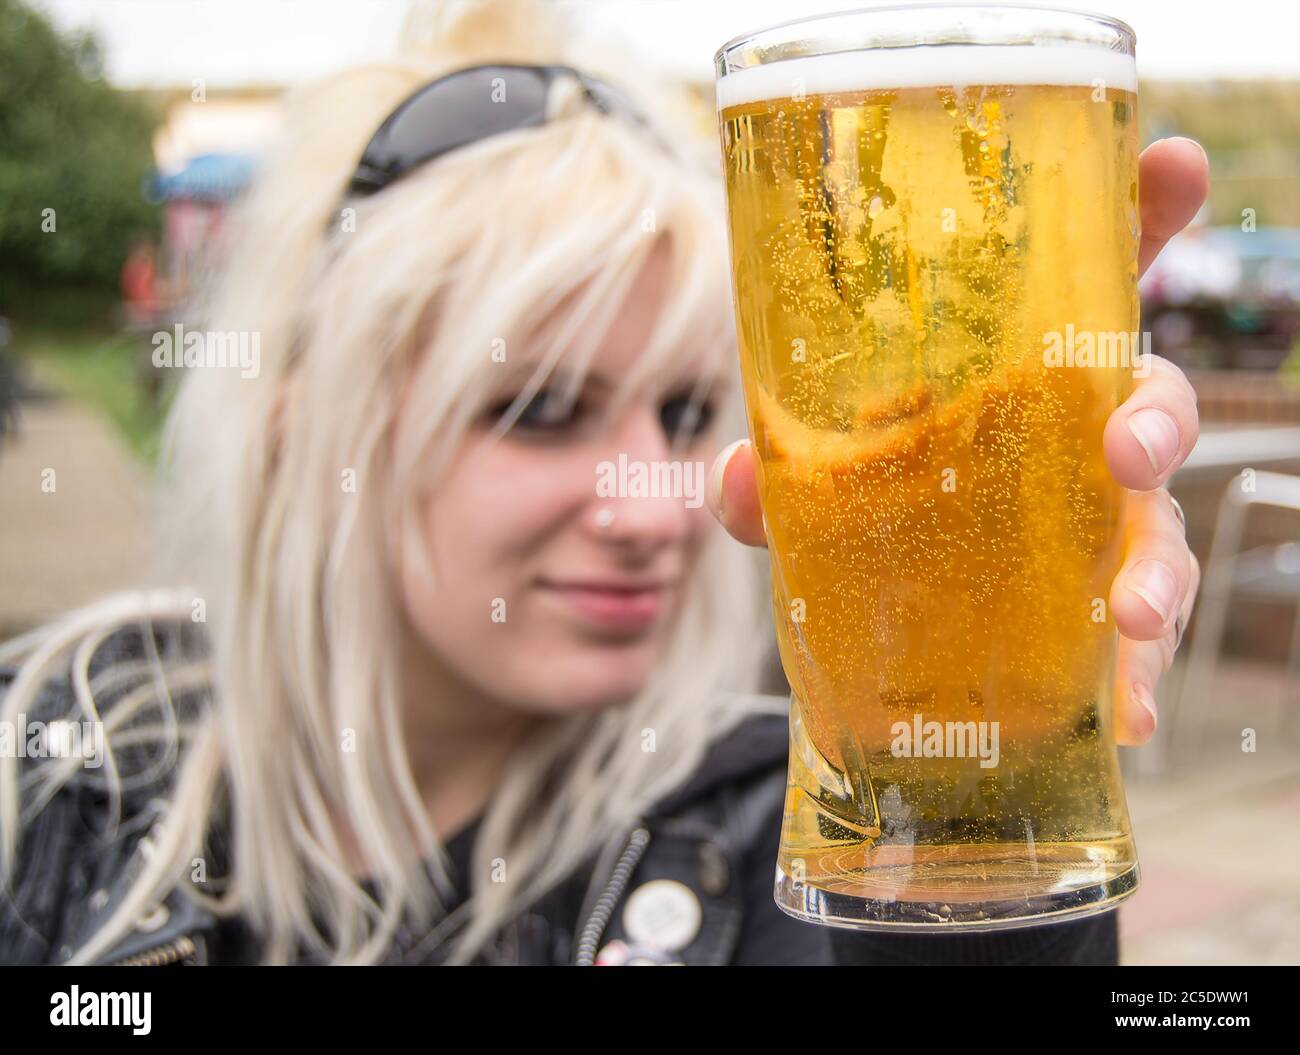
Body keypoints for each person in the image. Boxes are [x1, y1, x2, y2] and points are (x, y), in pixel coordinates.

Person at [0, 0, 1206, 966]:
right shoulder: (51, 767)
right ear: (306, 428)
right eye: (538, 409)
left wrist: (981, 802)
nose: (656, 501)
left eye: (685, 412)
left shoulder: (758, 832)